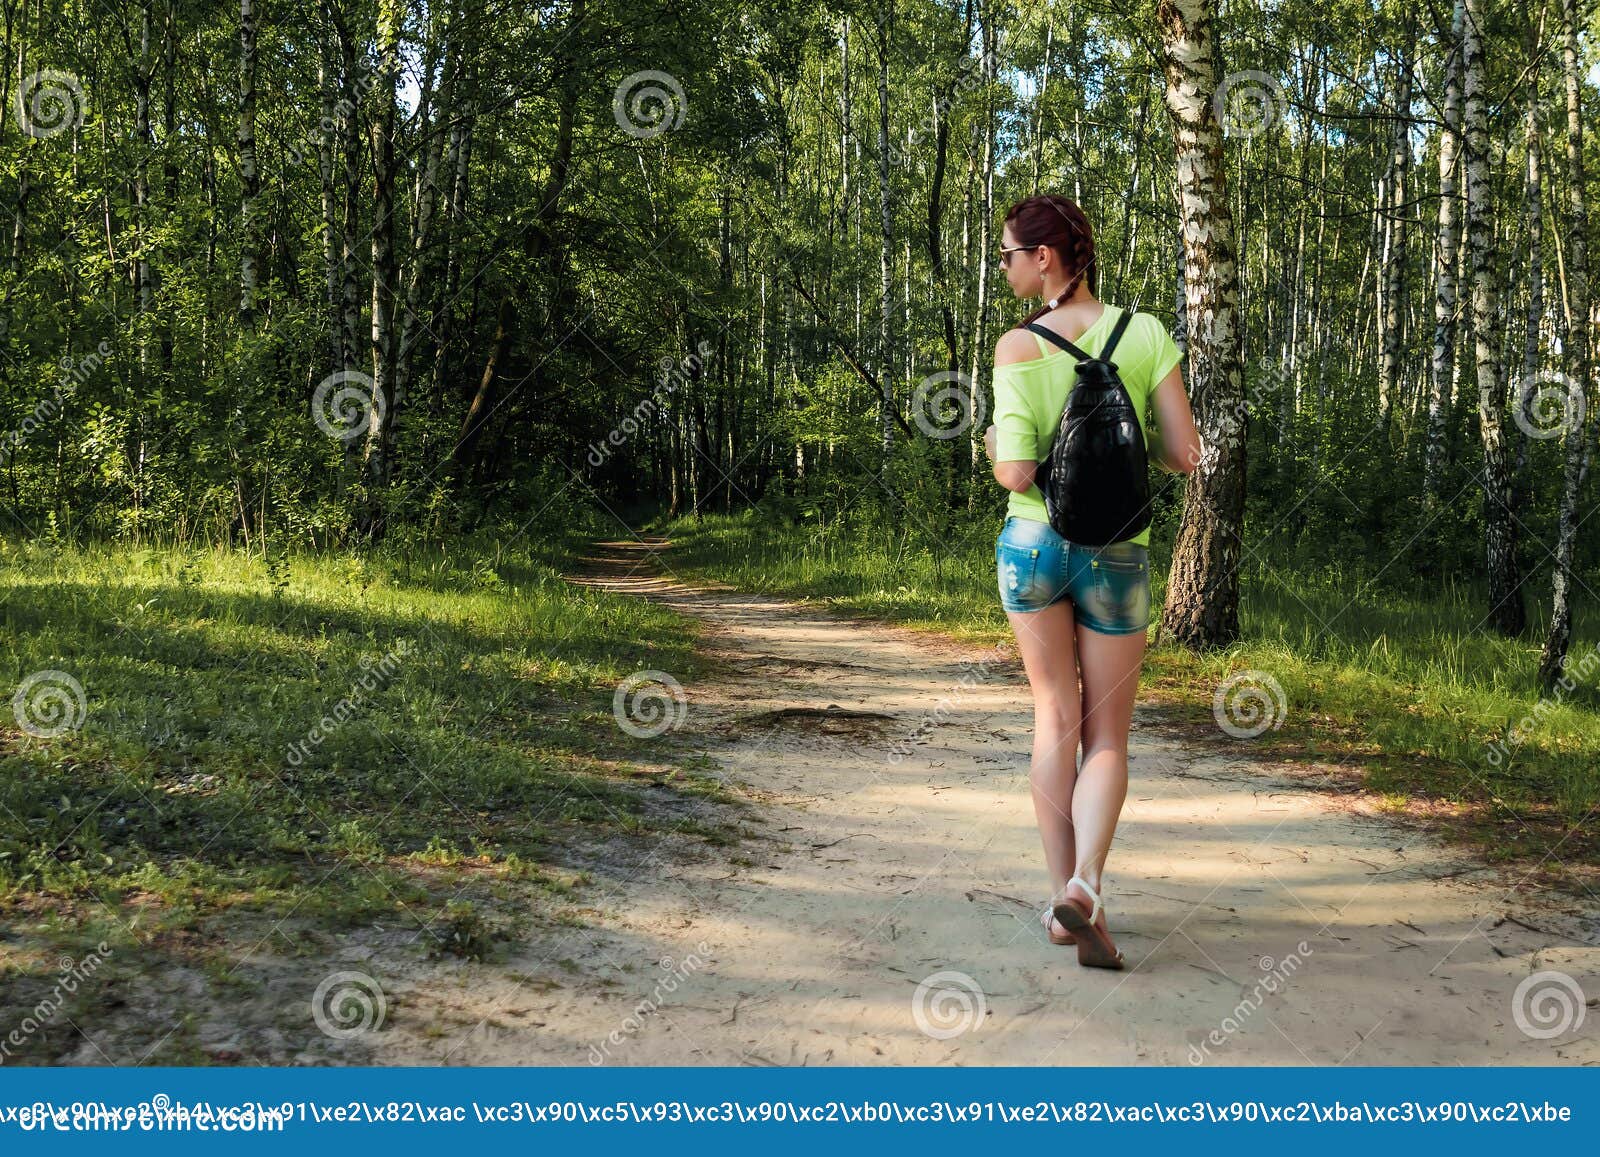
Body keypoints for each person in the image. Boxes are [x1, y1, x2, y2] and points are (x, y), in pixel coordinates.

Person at [981, 193, 1200, 970]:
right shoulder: (1145, 334)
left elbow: (1012, 468)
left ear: (1045, 259)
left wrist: (994, 444)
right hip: (1117, 552)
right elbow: (1184, 453)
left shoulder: (1016, 347)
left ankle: (1058, 906)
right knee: (1108, 736)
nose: (1003, 264)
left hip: (1033, 544)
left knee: (1053, 718)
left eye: (1007, 251)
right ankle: (1088, 883)